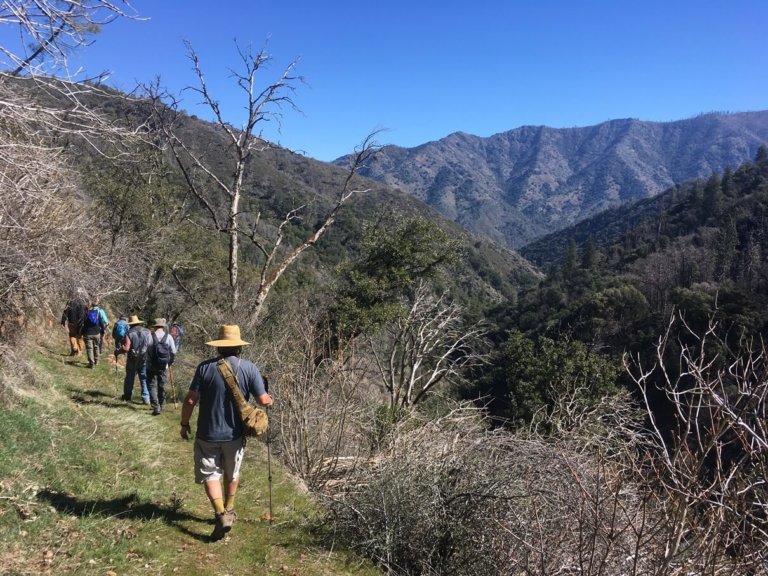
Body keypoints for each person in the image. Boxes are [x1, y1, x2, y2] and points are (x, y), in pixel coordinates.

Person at [179, 324, 273, 541]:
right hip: (235, 434)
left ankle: (220, 513)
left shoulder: (204, 368)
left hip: (207, 433)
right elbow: (263, 400)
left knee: (210, 474)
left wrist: (184, 423)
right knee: (232, 472)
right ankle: (229, 509)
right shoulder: (249, 368)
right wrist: (269, 398)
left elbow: (191, 400)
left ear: (218, 347)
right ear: (239, 347)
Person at [116, 315, 152, 404]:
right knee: (144, 378)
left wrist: (117, 352)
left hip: (132, 359)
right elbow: (151, 345)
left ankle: (127, 396)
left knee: (130, 378)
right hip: (145, 358)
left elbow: (126, 348)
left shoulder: (129, 333)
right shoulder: (147, 332)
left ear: (130, 324)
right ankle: (146, 398)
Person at [147, 318, 177, 416]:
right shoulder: (168, 337)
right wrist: (170, 362)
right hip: (164, 365)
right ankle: (162, 405)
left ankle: (156, 407)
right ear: (163, 326)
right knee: (162, 384)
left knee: (152, 385)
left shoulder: (150, 337)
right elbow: (173, 351)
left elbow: (144, 351)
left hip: (151, 365)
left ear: (155, 326)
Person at [82, 299, 108, 368]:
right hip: (97, 333)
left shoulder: (85, 313)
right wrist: (102, 331)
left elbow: (81, 323)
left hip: (88, 333)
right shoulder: (97, 313)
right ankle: (97, 361)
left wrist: (81, 331)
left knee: (89, 348)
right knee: (96, 347)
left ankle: (91, 364)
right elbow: (101, 323)